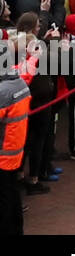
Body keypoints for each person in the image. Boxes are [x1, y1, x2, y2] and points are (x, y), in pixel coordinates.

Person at [0, 35, 32, 235]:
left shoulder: (3, 91)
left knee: (4, 201)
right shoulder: (19, 84)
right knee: (12, 195)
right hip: (15, 152)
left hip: (2, 155)